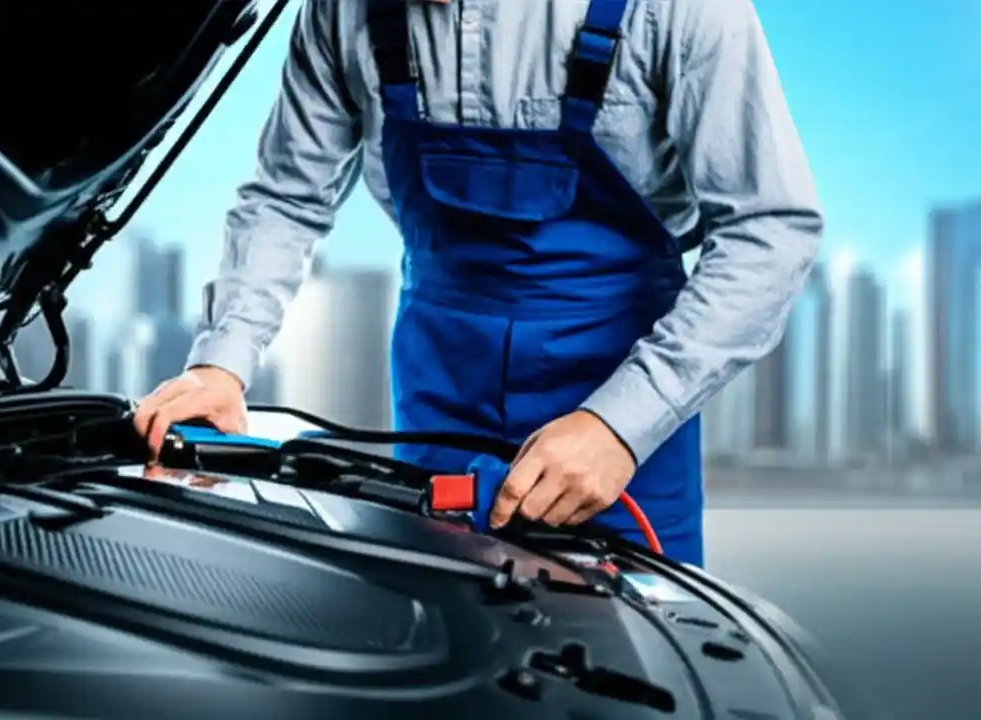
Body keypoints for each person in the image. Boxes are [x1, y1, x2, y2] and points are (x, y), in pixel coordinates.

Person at [132, 0, 823, 568]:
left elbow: (771, 230)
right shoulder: (344, 11)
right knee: (436, 634)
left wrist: (619, 426)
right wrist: (221, 363)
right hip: (441, 394)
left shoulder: (676, 9)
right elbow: (287, 196)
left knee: (637, 669)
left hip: (625, 412)